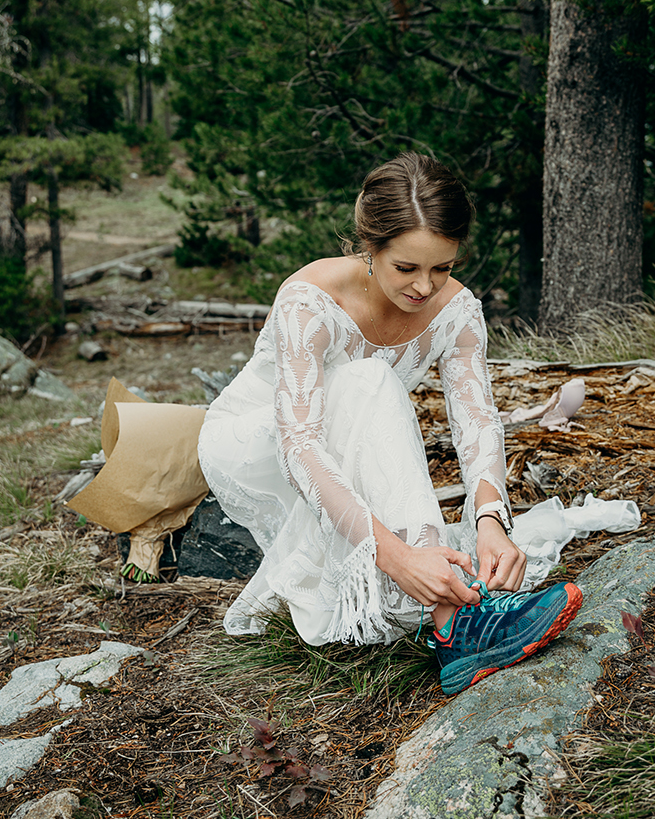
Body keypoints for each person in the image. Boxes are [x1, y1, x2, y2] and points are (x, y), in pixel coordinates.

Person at [198, 152, 582, 696]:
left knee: (372, 388)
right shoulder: (310, 301)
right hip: (258, 440)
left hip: (344, 431)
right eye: (406, 267)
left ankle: (449, 612)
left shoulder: (458, 311)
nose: (425, 287)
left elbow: (476, 420)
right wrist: (395, 556)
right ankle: (453, 618)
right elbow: (300, 447)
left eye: (442, 267)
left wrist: (491, 519)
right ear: (368, 248)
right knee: (372, 382)